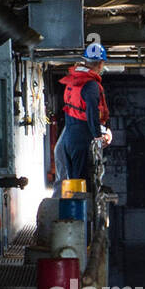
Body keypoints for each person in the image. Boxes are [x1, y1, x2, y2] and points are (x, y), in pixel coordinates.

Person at [54, 43, 112, 196]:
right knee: (83, 183)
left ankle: (69, 214)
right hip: (82, 138)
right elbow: (92, 113)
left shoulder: (73, 81)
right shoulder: (91, 85)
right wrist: (98, 137)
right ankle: (80, 216)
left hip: (69, 135)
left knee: (73, 180)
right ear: (100, 64)